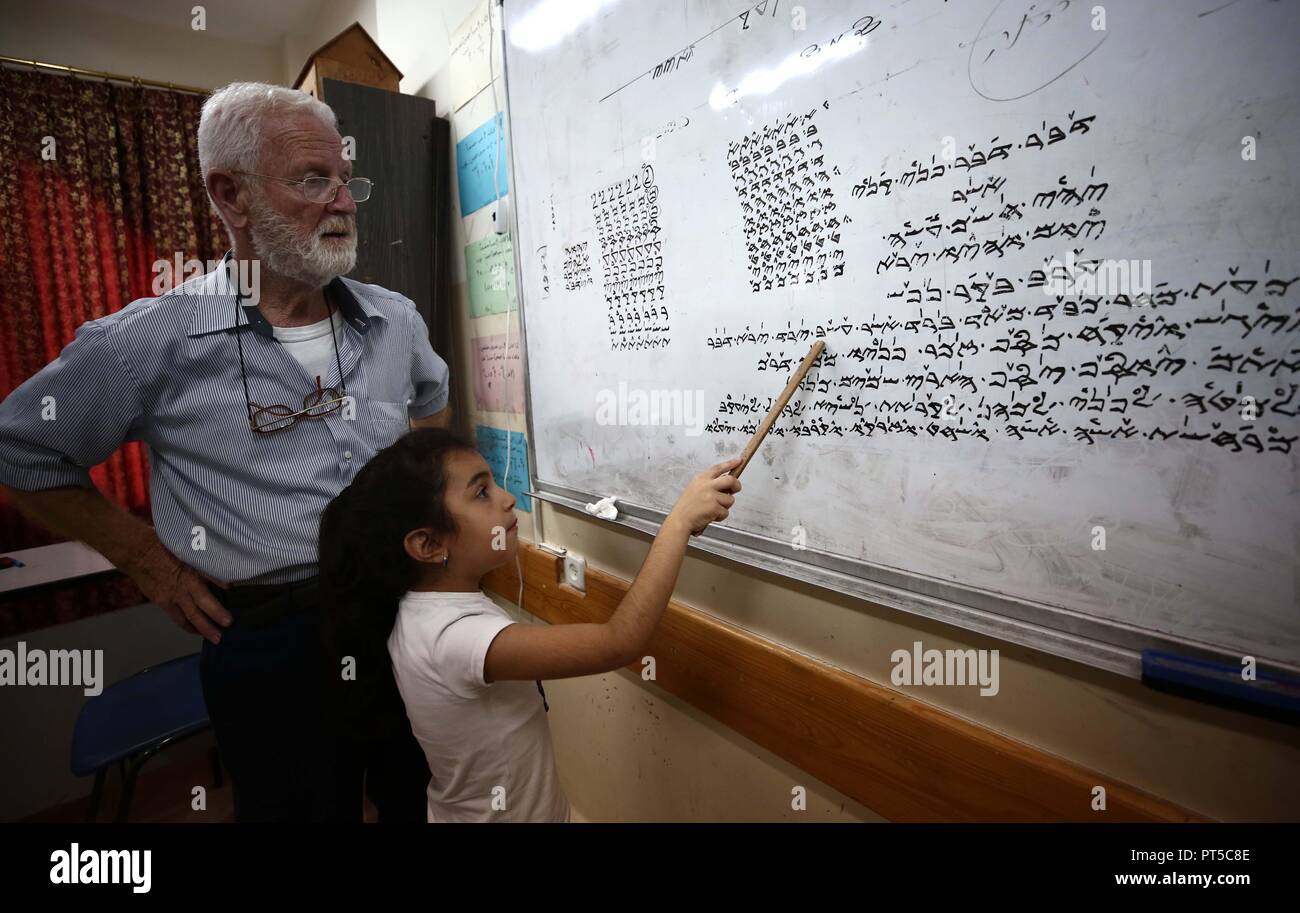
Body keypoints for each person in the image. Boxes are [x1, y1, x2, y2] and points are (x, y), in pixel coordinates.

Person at [0, 82, 450, 821]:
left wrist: (432, 519)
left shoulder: (394, 318)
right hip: (272, 642)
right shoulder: (148, 340)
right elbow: (19, 449)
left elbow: (431, 403)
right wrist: (147, 558)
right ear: (231, 194)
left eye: (346, 180)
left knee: (425, 799)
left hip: (400, 607)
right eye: (313, 180)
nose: (343, 201)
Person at [318, 428, 743, 821]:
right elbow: (619, 642)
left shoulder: (419, 608)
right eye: (481, 492)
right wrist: (678, 524)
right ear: (428, 544)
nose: (506, 498)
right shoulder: (456, 637)